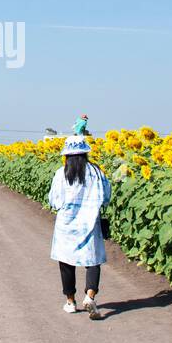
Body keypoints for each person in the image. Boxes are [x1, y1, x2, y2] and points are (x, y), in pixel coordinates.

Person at [48, 134, 111, 319]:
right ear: (85, 153)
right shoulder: (96, 172)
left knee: (66, 261)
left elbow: (54, 200)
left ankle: (70, 301)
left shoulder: (61, 173)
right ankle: (90, 296)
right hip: (90, 222)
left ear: (66, 155)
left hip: (66, 224)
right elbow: (106, 197)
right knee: (92, 260)